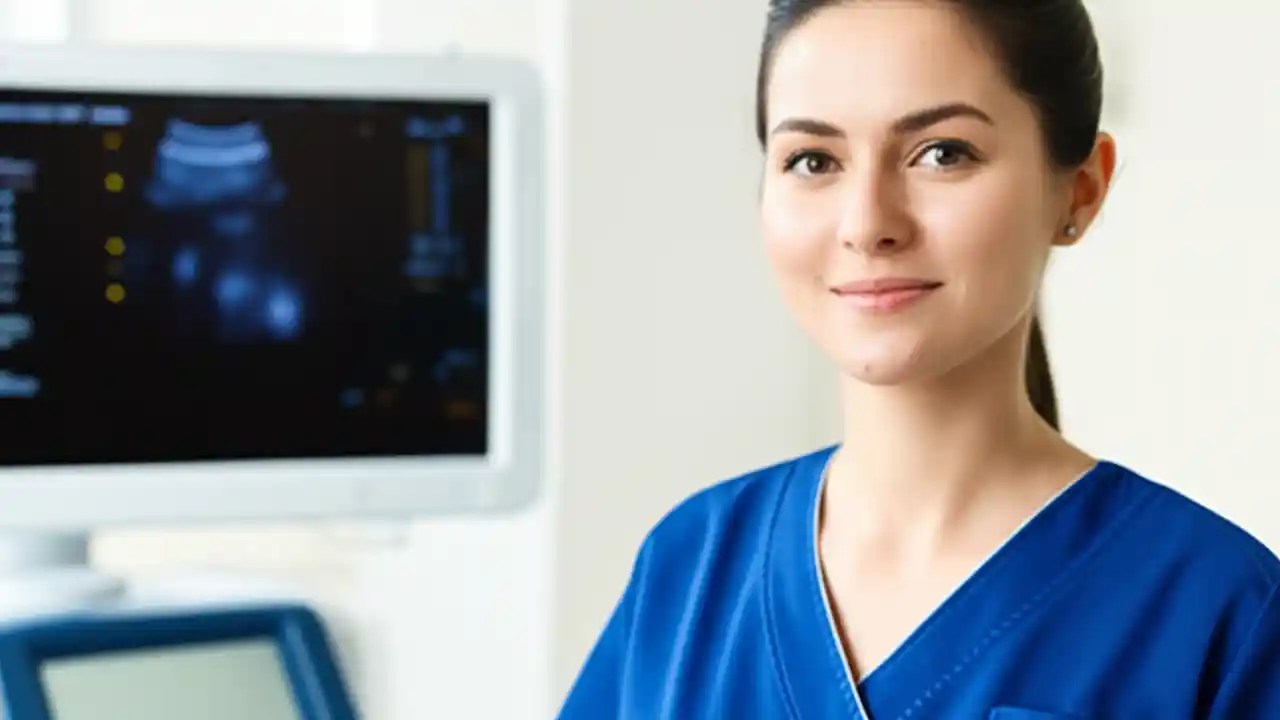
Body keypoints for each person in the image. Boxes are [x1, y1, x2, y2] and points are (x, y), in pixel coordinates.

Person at [558, 1, 1280, 717]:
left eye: (943, 153)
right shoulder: (691, 571)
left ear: (1081, 189)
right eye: (813, 160)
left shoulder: (1219, 612)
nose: (868, 223)